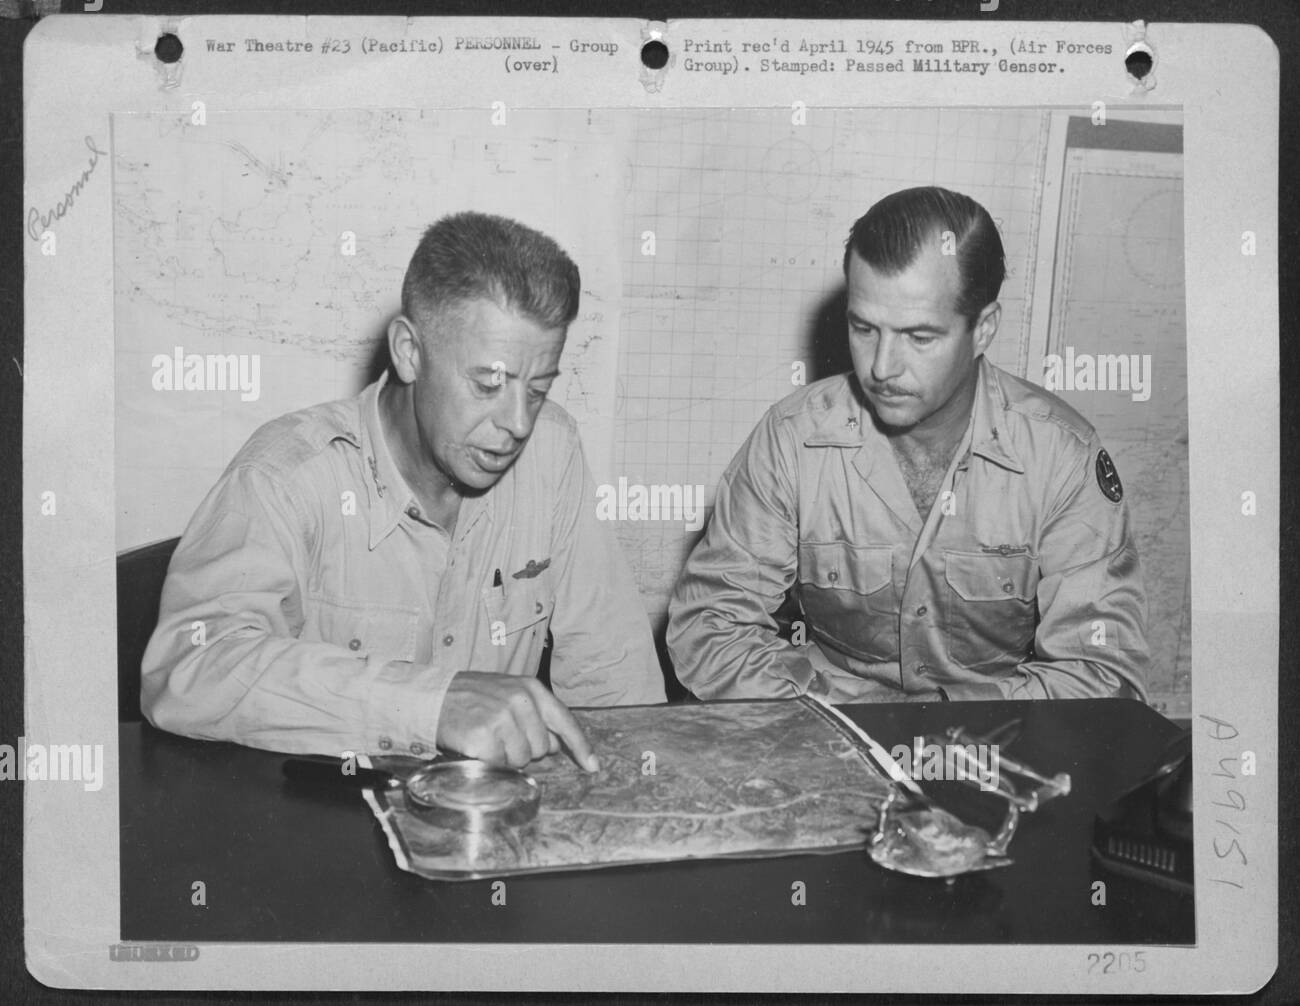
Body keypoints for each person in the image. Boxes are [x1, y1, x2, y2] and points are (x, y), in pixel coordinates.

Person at [142, 212, 665, 770]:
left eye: (536, 390)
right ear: (409, 352)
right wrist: (430, 707)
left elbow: (616, 683)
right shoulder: (285, 476)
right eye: (488, 384)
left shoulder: (553, 452)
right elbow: (188, 670)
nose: (517, 422)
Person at [667, 186, 1148, 703]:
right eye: (863, 328)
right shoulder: (792, 439)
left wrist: (943, 726)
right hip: (829, 725)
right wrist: (852, 714)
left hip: (1000, 741)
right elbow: (710, 626)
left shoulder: (1061, 457)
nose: (881, 367)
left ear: (983, 328)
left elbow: (1101, 671)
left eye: (919, 337)